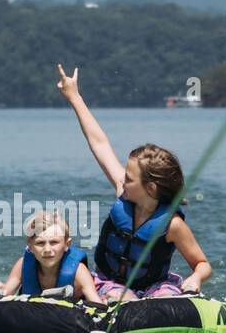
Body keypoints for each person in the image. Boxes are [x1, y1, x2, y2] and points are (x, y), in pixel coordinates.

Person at [56, 63, 212, 302]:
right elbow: (99, 143)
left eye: (129, 178)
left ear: (150, 188)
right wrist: (74, 96)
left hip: (155, 288)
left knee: (164, 301)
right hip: (110, 284)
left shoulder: (173, 225)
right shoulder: (124, 193)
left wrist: (196, 278)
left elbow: (201, 263)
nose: (122, 180)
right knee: (121, 297)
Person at [0, 209, 101, 301]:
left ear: (67, 244)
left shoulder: (79, 271)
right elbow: (5, 293)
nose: (47, 249)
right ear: (30, 246)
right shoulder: (23, 265)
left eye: (54, 242)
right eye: (40, 243)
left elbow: (98, 306)